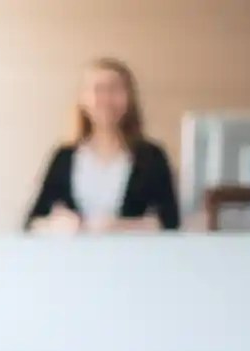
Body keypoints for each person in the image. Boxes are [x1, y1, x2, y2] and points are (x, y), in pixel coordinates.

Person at [26, 58, 180, 234]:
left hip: (132, 251)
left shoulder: (152, 156)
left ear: (130, 98)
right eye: (98, 90)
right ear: (83, 99)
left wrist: (120, 227)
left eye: (115, 89)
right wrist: (56, 225)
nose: (106, 99)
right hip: (74, 252)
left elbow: (170, 222)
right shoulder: (64, 156)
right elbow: (32, 223)